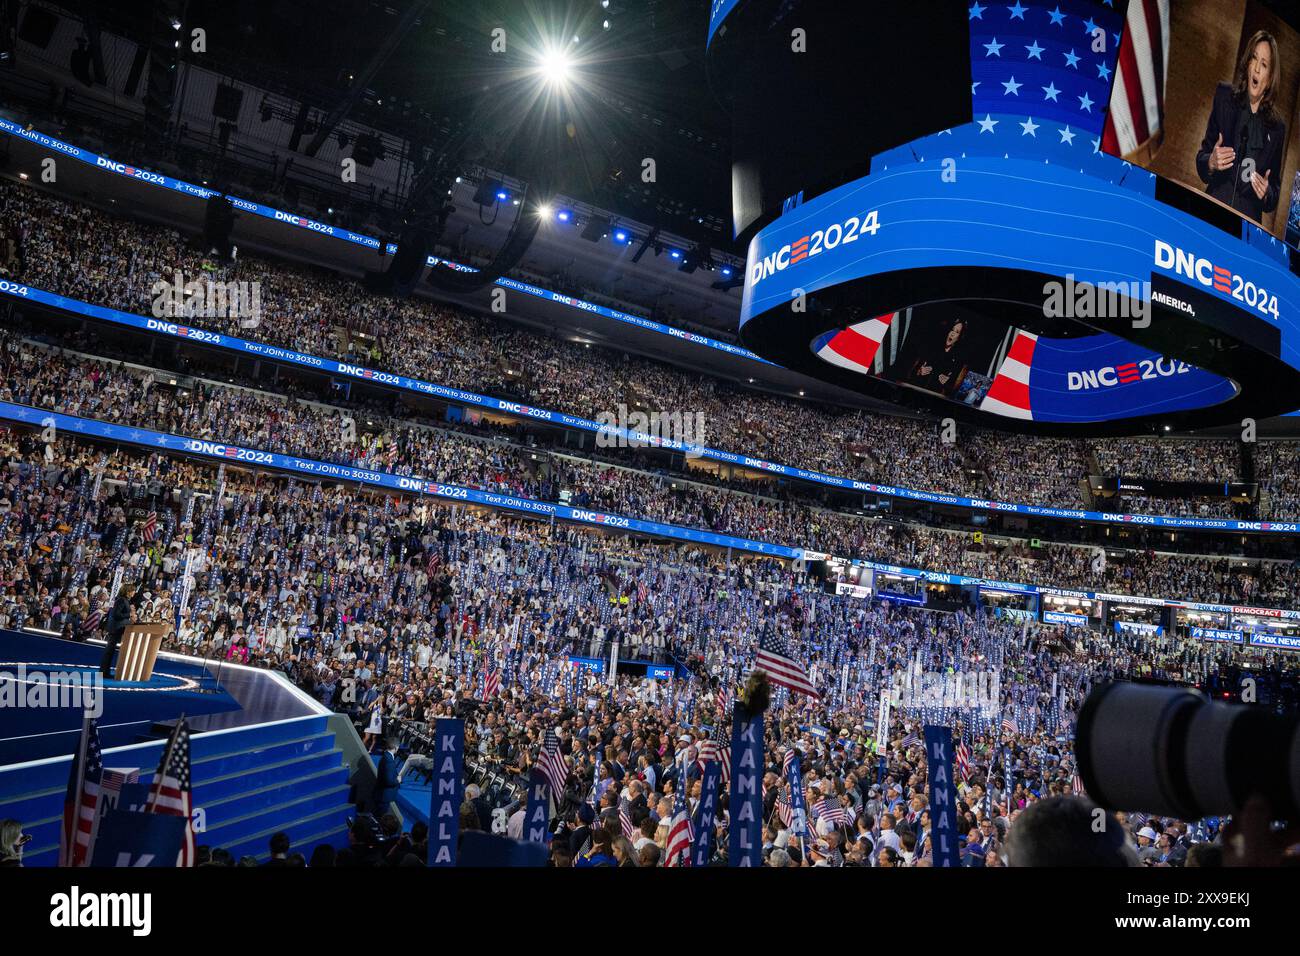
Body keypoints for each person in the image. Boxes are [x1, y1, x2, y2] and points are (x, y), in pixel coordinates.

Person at [1195, 30, 1285, 225]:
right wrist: (1210, 161)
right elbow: (1202, 158)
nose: (1257, 70)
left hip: (1247, 223)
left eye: (1264, 65)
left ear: (1269, 80)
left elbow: (1274, 191)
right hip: (1213, 207)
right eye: (1254, 59)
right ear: (1247, 64)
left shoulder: (1277, 129)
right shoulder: (1224, 98)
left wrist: (1266, 192)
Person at [100, 582, 136, 679]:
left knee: (110, 651)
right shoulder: (121, 600)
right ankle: (103, 672)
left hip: (118, 628)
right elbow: (116, 614)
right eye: (133, 591)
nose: (134, 593)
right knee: (109, 651)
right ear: (128, 591)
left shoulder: (124, 600)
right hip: (116, 628)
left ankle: (104, 672)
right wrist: (129, 615)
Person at [371, 736, 402, 816]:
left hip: (381, 795)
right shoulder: (389, 761)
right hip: (383, 797)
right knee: (379, 818)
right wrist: (398, 780)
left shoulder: (386, 756)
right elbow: (389, 781)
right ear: (396, 747)